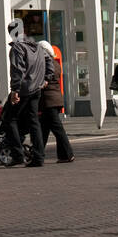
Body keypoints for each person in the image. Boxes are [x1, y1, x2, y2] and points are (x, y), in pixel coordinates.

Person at [5, 22, 47, 167]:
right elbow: (49, 62)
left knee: (9, 119)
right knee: (34, 122)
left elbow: (17, 70)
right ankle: (38, 157)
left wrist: (15, 90)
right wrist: (45, 79)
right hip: (36, 89)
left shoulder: (18, 47)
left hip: (24, 89)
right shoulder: (37, 46)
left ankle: (17, 155)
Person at [38, 41, 74, 163]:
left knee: (58, 130)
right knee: (43, 129)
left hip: (49, 101)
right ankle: (38, 153)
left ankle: (68, 154)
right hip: (55, 100)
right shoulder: (55, 63)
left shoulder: (45, 65)